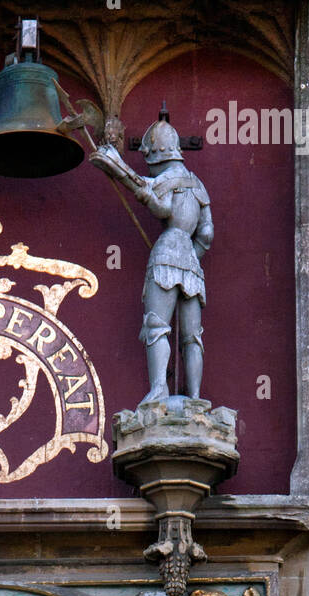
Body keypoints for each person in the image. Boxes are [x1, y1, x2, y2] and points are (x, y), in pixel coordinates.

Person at [91, 110, 213, 405]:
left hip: (167, 251)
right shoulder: (198, 185)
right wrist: (190, 256)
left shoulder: (167, 179)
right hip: (191, 261)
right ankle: (195, 397)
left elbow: (161, 206)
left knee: (157, 326)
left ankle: (160, 388)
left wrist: (118, 168)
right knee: (192, 337)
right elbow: (207, 233)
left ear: (155, 153)